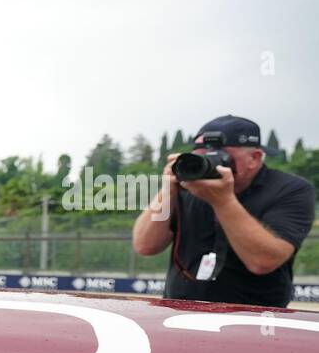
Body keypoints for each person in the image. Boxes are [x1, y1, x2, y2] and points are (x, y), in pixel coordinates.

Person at [132, 115, 315, 307]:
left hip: (255, 320)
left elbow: (263, 261)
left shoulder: (290, 189)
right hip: (180, 314)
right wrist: (168, 188)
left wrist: (223, 201)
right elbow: (145, 246)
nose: (209, 164)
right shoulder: (187, 184)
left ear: (255, 158)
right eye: (202, 156)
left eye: (221, 156)